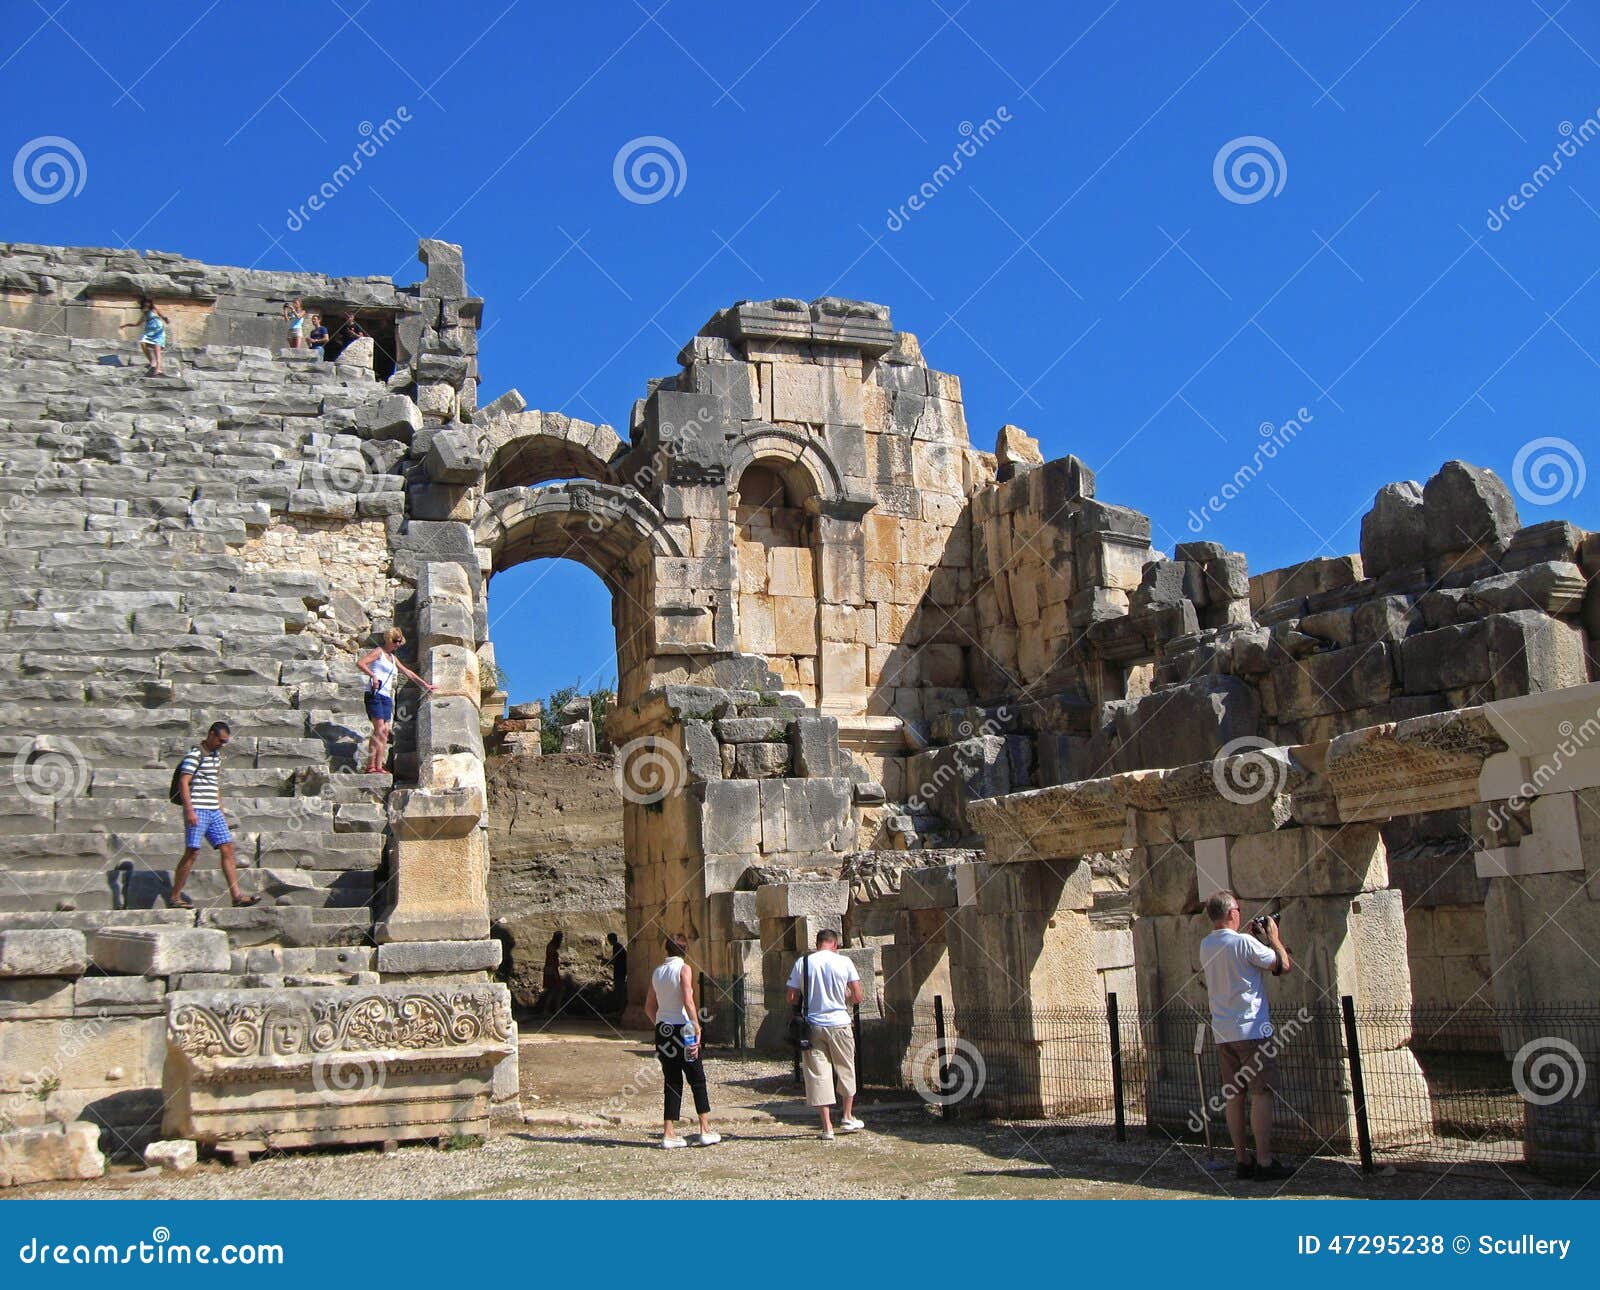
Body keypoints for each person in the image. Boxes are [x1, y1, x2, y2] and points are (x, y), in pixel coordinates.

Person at [1199, 890, 1295, 1181]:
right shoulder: (1244, 944)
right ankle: (1265, 1160)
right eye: (1238, 909)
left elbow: (1234, 954)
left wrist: (1252, 938)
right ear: (1230, 913)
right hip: (1252, 1029)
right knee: (1261, 1093)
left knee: (1234, 1096)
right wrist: (1273, 936)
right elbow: (1283, 965)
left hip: (1223, 1031)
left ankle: (1242, 1158)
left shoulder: (1206, 944)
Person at [169, 721, 259, 911]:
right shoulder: (194, 755)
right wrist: (189, 810)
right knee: (192, 852)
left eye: (225, 741)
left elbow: (213, 783)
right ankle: (175, 896)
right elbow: (184, 783)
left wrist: (221, 809)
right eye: (220, 740)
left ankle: (236, 896)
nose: (222, 744)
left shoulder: (217, 757)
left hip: (213, 810)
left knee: (227, 848)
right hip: (198, 810)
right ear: (211, 735)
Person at [787, 929, 864, 1140]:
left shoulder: (803, 963)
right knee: (846, 1069)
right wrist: (844, 996)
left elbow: (792, 997)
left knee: (818, 1075)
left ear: (817, 943)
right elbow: (858, 996)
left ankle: (827, 1126)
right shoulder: (845, 962)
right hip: (840, 1023)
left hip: (813, 1026)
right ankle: (847, 1116)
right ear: (835, 944)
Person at [644, 933, 719, 1149]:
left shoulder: (657, 972)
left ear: (666, 950)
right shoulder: (684, 969)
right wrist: (696, 1025)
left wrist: (660, 1023)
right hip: (684, 1029)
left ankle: (669, 1132)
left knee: (672, 1080)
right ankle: (705, 1129)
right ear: (685, 951)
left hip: (663, 1030)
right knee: (697, 1077)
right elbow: (688, 999)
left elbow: (649, 1006)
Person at [356, 628, 433, 774]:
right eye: (396, 641)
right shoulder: (379, 652)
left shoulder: (392, 658)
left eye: (399, 642)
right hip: (375, 694)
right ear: (389, 640)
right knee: (379, 729)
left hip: (386, 696)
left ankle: (379, 766)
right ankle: (370, 765)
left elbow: (408, 672)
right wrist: (373, 676)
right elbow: (361, 663)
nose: (398, 644)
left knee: (384, 731)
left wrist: (425, 685)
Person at [121, 297, 170, 376]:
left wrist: (166, 319)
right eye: (145, 303)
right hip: (149, 333)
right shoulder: (144, 314)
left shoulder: (154, 309)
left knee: (157, 351)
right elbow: (137, 324)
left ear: (150, 303)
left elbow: (162, 316)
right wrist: (126, 325)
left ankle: (158, 369)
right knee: (143, 343)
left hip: (158, 332)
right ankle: (152, 361)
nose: (146, 304)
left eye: (148, 303)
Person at [600, 931, 628, 1013]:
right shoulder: (618, 946)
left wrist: (605, 961)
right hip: (620, 971)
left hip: (620, 972)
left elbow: (615, 960)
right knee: (619, 989)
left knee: (619, 990)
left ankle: (620, 1009)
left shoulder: (617, 947)